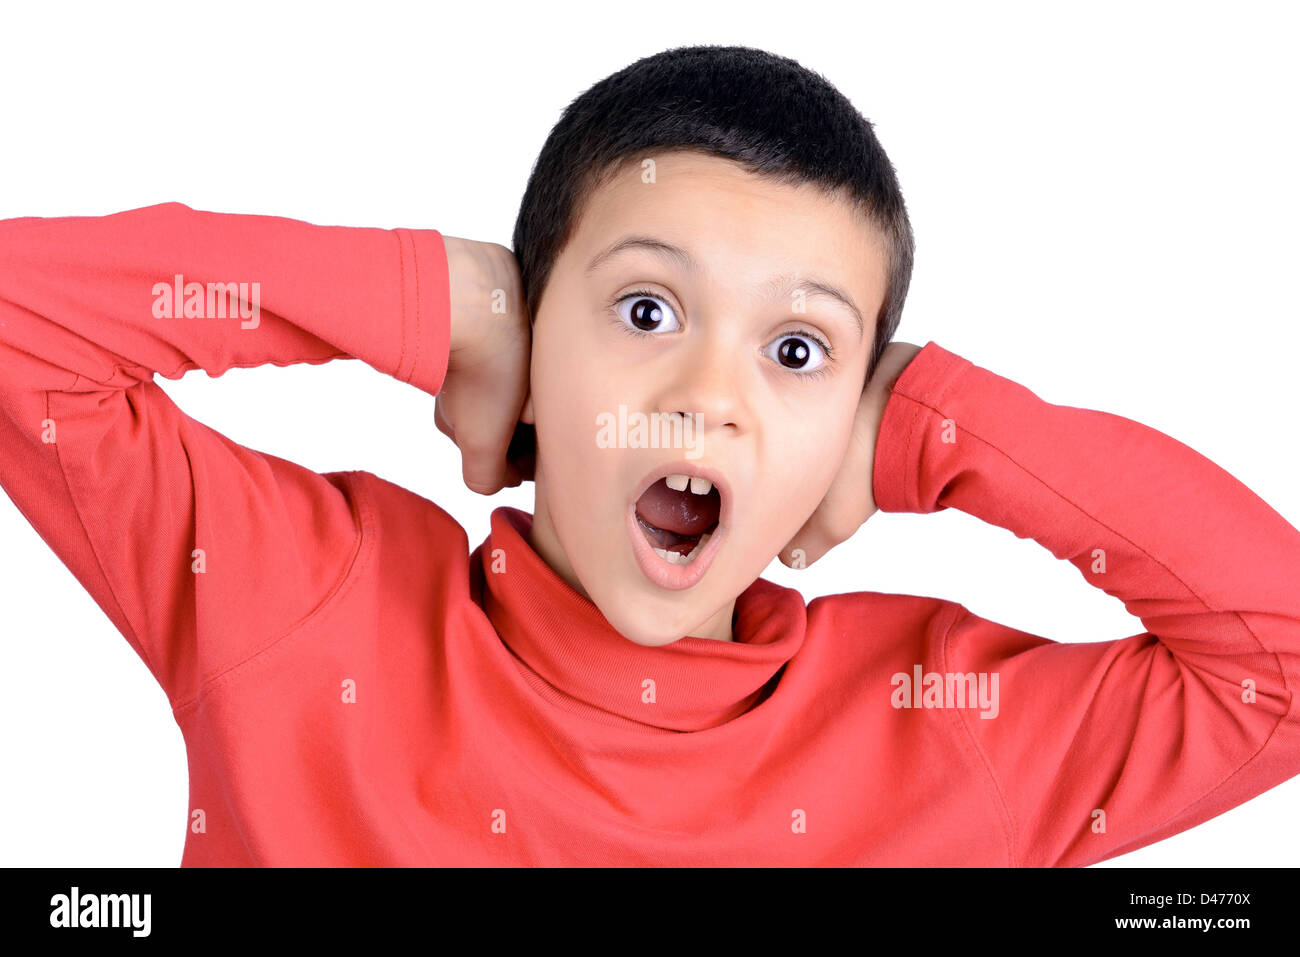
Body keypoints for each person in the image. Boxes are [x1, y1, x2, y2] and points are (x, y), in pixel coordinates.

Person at [2, 45, 1297, 866]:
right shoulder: (306, 604)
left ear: (851, 426)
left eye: (798, 352)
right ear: (529, 352)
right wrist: (431, 298)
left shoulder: (946, 728)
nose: (707, 397)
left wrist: (939, 423)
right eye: (643, 311)